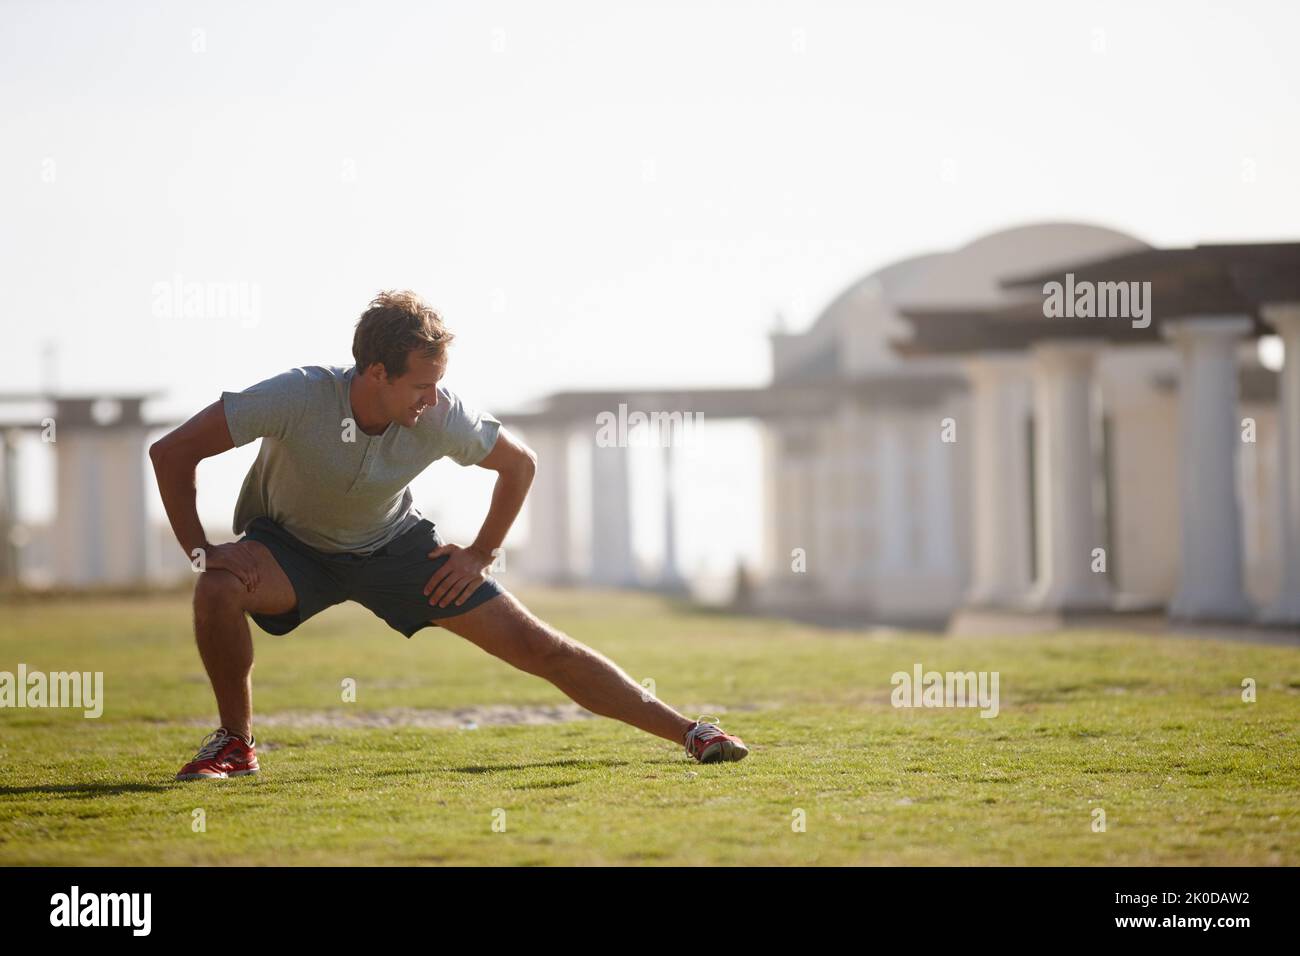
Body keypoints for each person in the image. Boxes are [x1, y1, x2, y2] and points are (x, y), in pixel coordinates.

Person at [149, 290, 749, 780]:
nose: (433, 399)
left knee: (540, 646)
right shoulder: (295, 395)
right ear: (376, 372)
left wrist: (481, 553)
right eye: (420, 385)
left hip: (397, 549)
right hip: (290, 549)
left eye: (439, 383)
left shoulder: (440, 413)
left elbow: (520, 465)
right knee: (218, 588)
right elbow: (172, 452)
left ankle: (692, 733)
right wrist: (203, 552)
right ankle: (236, 744)